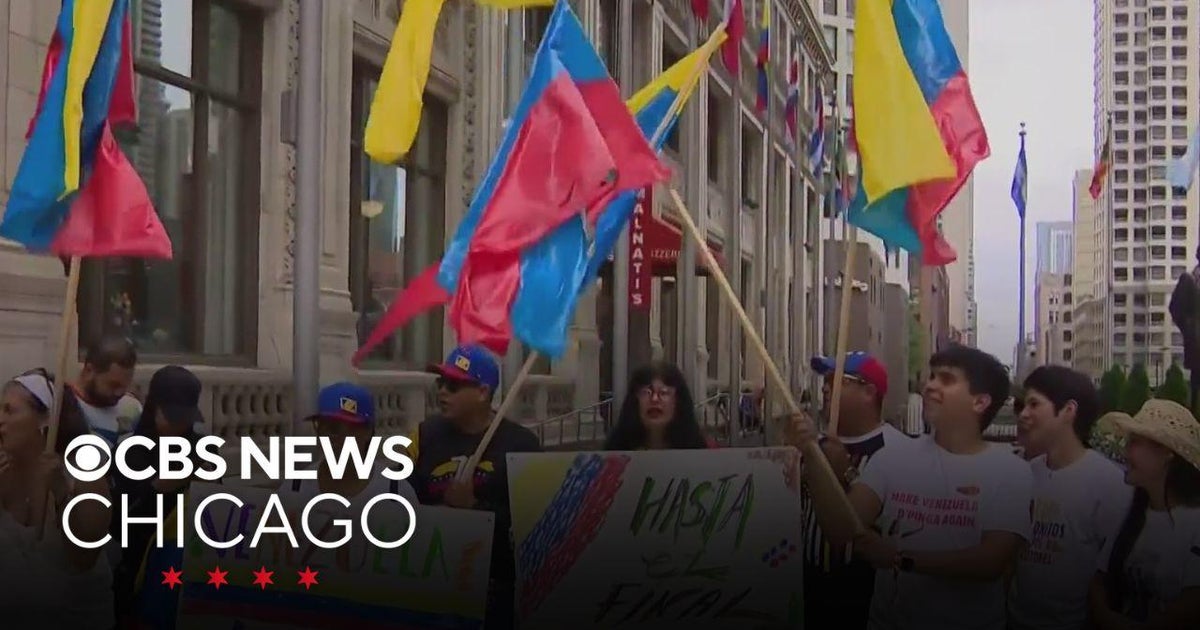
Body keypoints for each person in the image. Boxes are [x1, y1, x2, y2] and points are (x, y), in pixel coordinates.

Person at [791, 344, 1032, 630]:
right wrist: (813, 454)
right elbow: (841, 530)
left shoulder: (1010, 471)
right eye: (931, 377)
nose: (929, 386)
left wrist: (900, 559)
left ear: (979, 402)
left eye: (946, 379)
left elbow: (990, 562)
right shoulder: (894, 456)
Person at [405, 344, 542, 630]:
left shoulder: (522, 446)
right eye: (441, 382)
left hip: (494, 596)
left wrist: (475, 508)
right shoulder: (422, 436)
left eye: (454, 385)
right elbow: (397, 501)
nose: (442, 391)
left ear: (483, 392)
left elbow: (533, 532)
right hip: (432, 587)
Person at [784, 352, 909, 630]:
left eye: (838, 380)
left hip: (867, 597)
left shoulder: (900, 450)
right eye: (825, 380)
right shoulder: (811, 444)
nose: (826, 387)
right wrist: (788, 457)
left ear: (869, 392)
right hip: (808, 593)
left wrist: (844, 475)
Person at [1008, 365, 1132, 630]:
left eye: (1034, 404)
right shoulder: (1025, 474)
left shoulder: (1109, 483)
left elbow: (1114, 573)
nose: (1023, 414)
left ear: (1068, 410)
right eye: (1022, 405)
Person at [0, 369, 113, 628]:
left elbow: (84, 558)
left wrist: (61, 492)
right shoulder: (3, 470)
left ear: (45, 420)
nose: (0, 419)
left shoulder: (83, 475)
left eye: (10, 410)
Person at [1088, 399, 1200, 629]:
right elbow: (1099, 580)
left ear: (1167, 452)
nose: (1125, 451)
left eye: (1135, 442)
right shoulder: (1128, 512)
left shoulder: (1194, 524)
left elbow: (1189, 607)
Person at [112, 365, 207, 628]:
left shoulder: (202, 450)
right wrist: (157, 488)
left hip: (190, 572)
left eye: (185, 417)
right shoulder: (130, 450)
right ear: (153, 407)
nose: (180, 425)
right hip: (136, 571)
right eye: (173, 416)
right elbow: (118, 524)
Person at [286, 381, 418, 505]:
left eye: (335, 429)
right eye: (321, 427)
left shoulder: (396, 493)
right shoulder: (295, 487)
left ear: (367, 431)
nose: (327, 437)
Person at [604, 361, 715, 450]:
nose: (654, 399)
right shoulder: (616, 450)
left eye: (664, 393)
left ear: (678, 402)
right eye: (646, 392)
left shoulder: (699, 451)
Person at [73, 335, 141, 448]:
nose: (119, 393)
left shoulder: (132, 408)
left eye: (125, 386)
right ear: (89, 371)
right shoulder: (62, 407)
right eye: (113, 385)